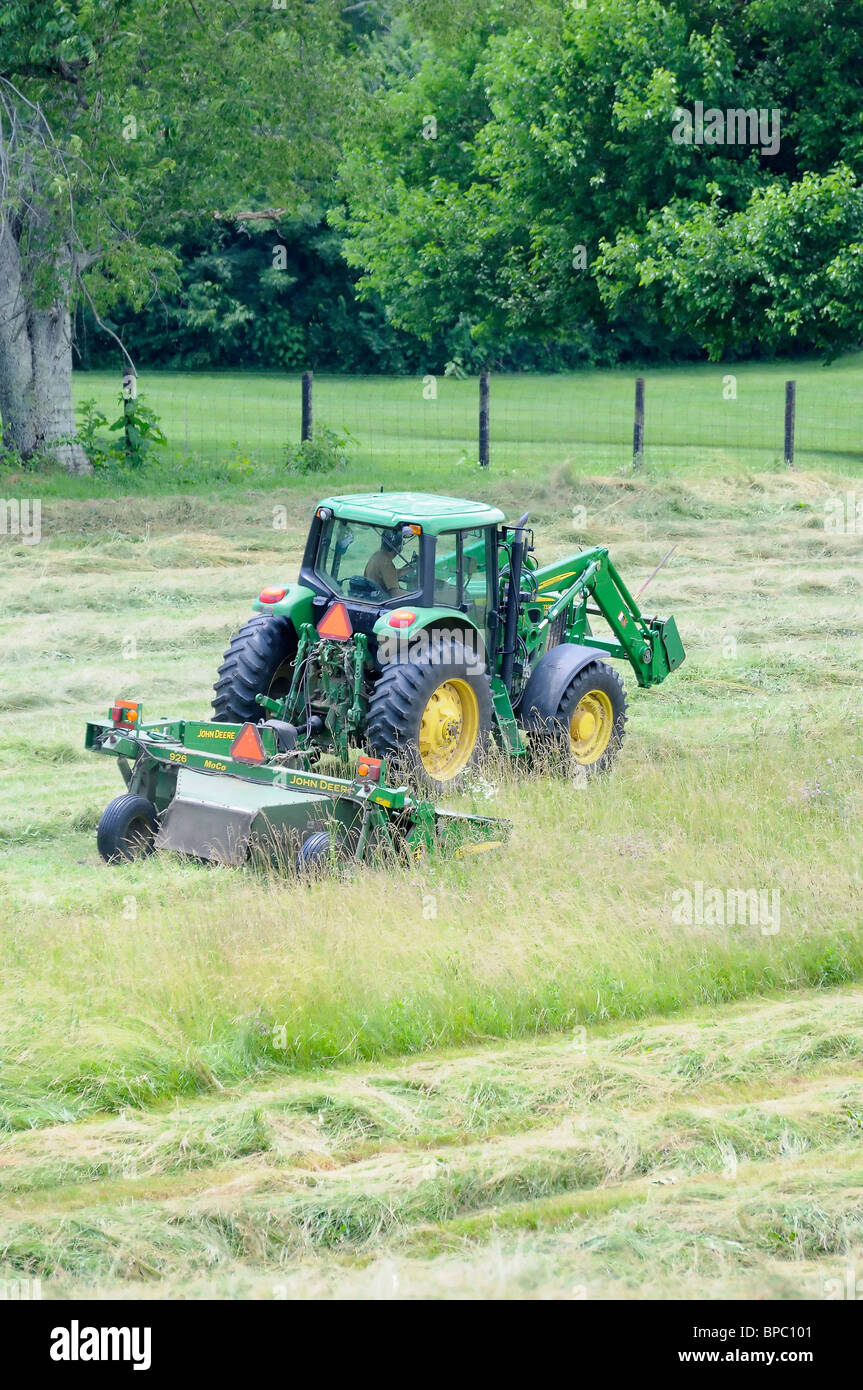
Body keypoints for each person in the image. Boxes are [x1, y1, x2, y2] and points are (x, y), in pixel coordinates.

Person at [365, 527, 410, 598]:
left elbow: (392, 574)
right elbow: (395, 593)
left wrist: (412, 568)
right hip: (381, 602)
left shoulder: (378, 556)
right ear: (398, 547)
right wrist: (416, 594)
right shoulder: (386, 562)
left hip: (372, 596)